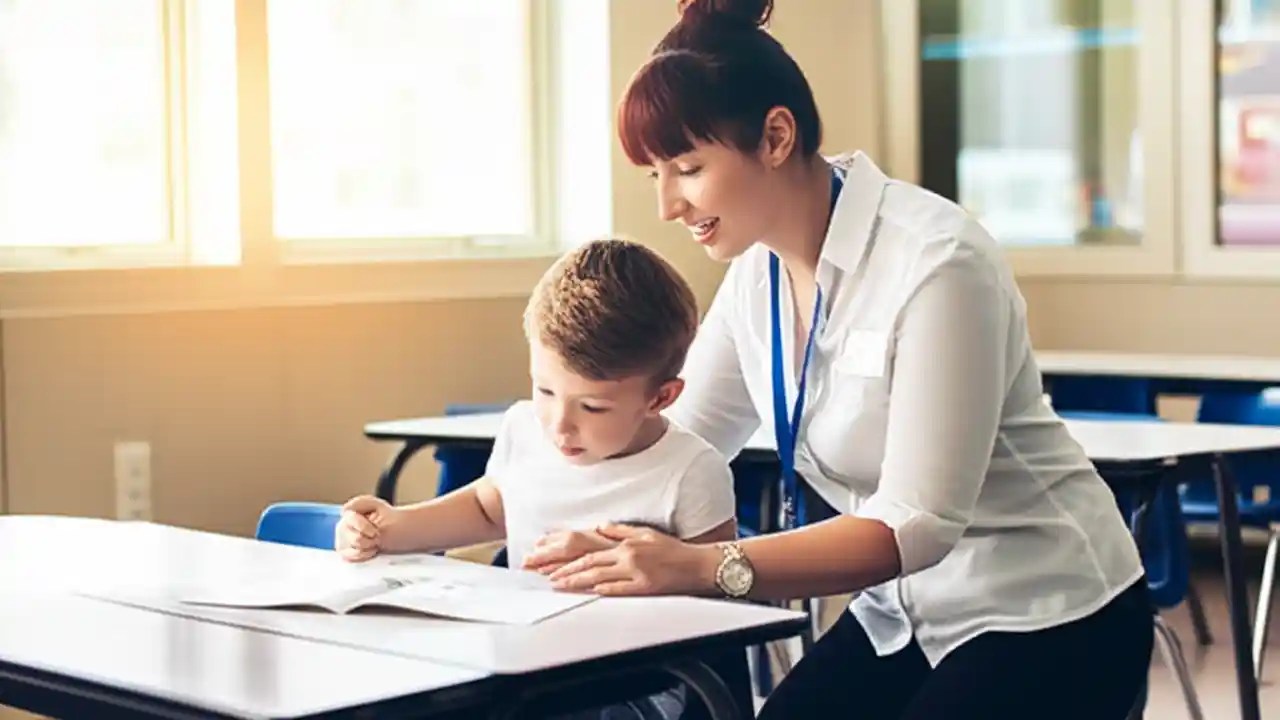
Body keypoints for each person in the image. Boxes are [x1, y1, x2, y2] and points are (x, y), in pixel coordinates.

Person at [541, 2, 1154, 718]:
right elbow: (676, 444)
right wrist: (545, 521)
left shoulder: (937, 262)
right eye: (656, 175)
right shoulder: (757, 275)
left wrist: (706, 567)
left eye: (688, 168)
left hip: (1049, 611)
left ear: (776, 137)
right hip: (901, 614)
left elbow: (915, 523)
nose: (668, 206)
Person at [335, 237, 745, 719]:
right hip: (527, 660)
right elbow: (489, 508)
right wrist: (392, 528)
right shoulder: (524, 428)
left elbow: (719, 594)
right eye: (545, 391)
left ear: (660, 398)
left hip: (635, 680)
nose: (559, 425)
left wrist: (616, 564)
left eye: (592, 407)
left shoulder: (692, 470)